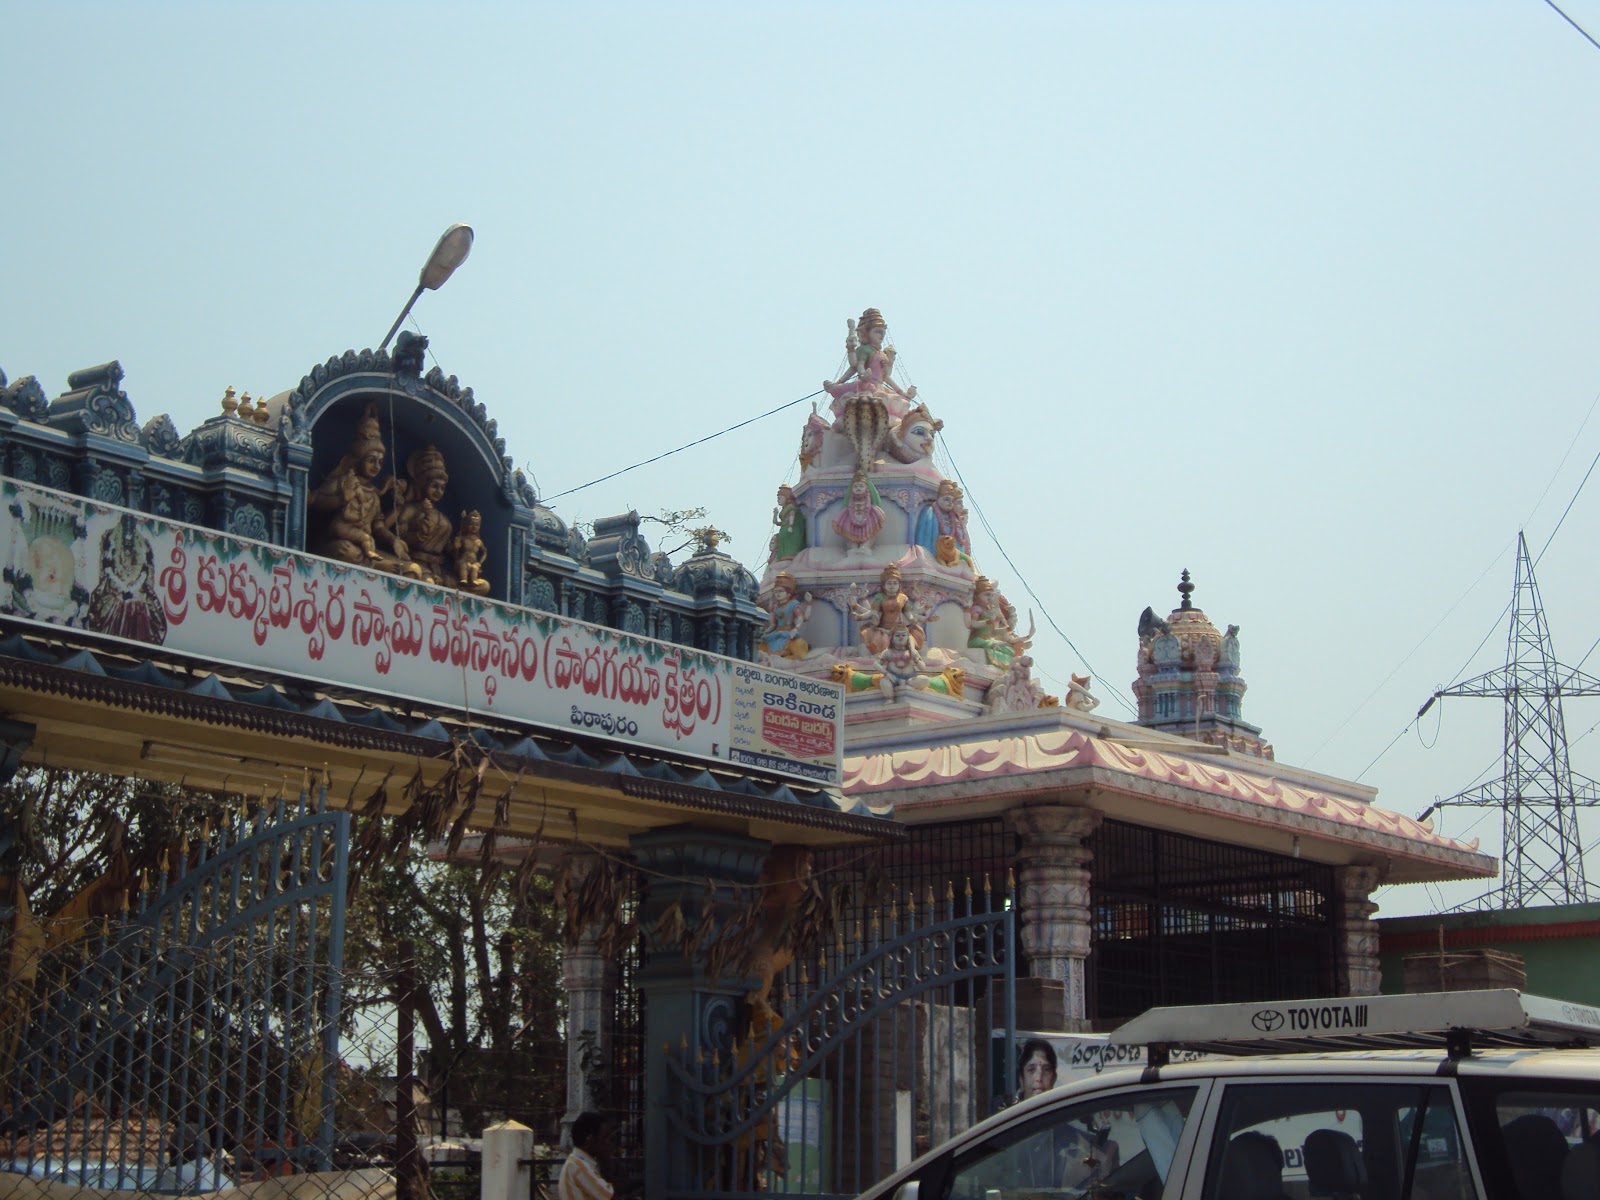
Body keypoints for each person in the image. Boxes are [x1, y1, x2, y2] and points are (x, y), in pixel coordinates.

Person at [558, 1112, 615, 1200]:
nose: (608, 1142)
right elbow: (609, 1195)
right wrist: (606, 1160)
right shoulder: (579, 1167)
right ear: (589, 1139)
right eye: (605, 1137)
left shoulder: (577, 1163)